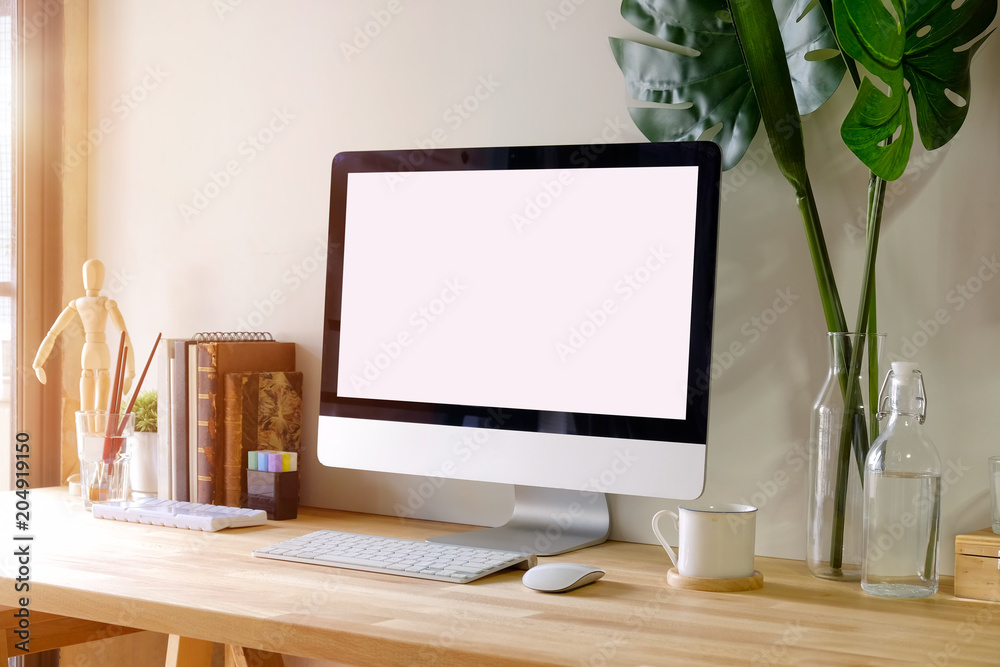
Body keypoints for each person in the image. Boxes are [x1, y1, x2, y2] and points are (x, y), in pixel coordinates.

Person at [32, 259, 134, 411]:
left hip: (91, 350)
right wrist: (130, 372)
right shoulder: (102, 303)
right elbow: (124, 335)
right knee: (95, 400)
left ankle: (93, 432)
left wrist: (38, 363)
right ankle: (92, 432)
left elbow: (53, 333)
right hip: (99, 349)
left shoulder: (82, 303)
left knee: (93, 399)